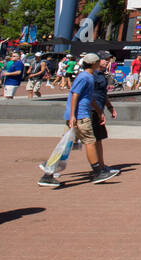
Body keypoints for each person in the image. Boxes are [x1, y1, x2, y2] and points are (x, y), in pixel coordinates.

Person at [41, 53, 120, 187]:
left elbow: (89, 98)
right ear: (94, 63)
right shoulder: (85, 77)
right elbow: (75, 95)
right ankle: (97, 172)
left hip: (80, 114)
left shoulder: (88, 77)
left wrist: (100, 112)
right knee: (89, 141)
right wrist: (73, 116)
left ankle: (48, 174)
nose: (106, 62)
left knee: (66, 144)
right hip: (81, 115)